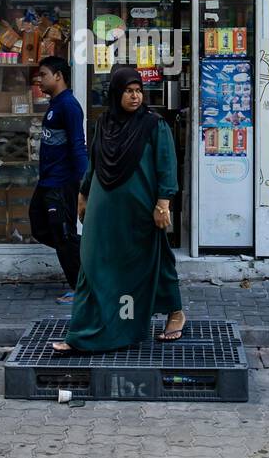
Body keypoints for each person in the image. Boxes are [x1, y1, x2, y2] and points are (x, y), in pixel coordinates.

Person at [52, 66, 184, 354]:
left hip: (139, 208)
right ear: (116, 93)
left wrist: (164, 202)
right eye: (128, 91)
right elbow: (95, 160)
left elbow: (167, 164)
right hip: (103, 204)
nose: (135, 96)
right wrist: (83, 195)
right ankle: (83, 332)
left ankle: (174, 313)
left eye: (138, 91)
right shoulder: (105, 123)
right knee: (92, 263)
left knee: (155, 258)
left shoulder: (153, 124)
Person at [29, 55, 87, 304]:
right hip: (47, 182)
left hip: (62, 183)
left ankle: (80, 287)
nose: (38, 79)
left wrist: (83, 186)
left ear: (58, 76)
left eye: (43, 74)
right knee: (40, 227)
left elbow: (78, 145)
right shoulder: (55, 104)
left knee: (63, 234)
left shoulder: (69, 105)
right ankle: (84, 250)